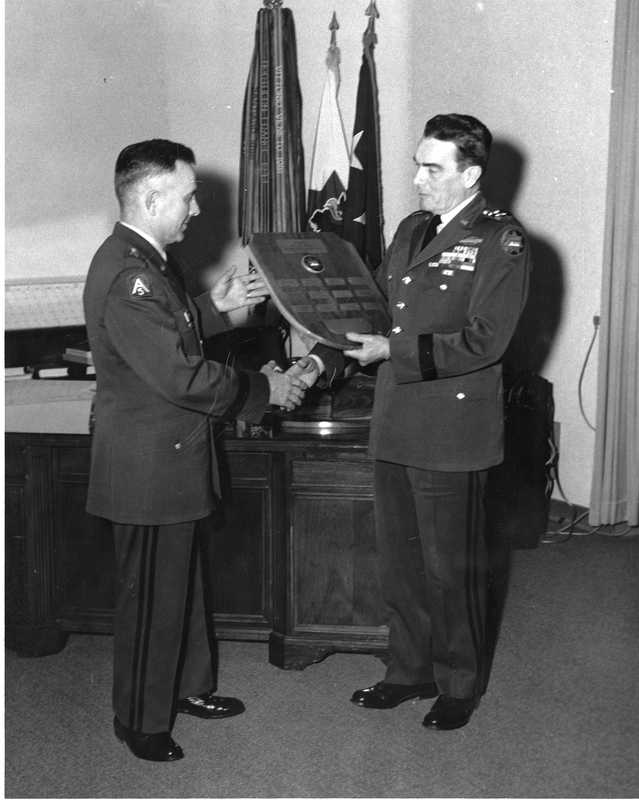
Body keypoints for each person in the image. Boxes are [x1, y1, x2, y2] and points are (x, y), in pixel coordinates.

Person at [291, 114, 530, 730]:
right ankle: (409, 670)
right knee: (400, 559)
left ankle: (458, 684)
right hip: (395, 421)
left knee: (450, 566)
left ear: (470, 174)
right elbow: (368, 309)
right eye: (417, 165)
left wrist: (391, 353)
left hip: (452, 431)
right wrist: (319, 362)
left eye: (433, 168)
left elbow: (485, 340)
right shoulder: (411, 229)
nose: (418, 179)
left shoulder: (501, 241)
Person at [83, 139, 307, 762]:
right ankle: (140, 718)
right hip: (148, 467)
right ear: (152, 198)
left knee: (182, 584)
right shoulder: (130, 272)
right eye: (187, 196)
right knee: (153, 593)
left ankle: (185, 688)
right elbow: (178, 374)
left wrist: (216, 307)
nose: (198, 208)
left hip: (169, 458)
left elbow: (168, 330)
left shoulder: (146, 259)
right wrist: (266, 388)